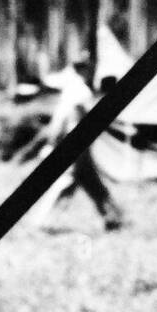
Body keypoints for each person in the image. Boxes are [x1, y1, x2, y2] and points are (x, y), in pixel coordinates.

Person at [22, 53, 125, 231]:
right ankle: (41, 222)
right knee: (68, 180)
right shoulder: (80, 91)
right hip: (74, 144)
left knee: (90, 181)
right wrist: (54, 142)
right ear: (83, 69)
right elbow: (65, 120)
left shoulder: (75, 88)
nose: (91, 70)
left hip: (77, 144)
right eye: (87, 67)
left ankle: (113, 217)